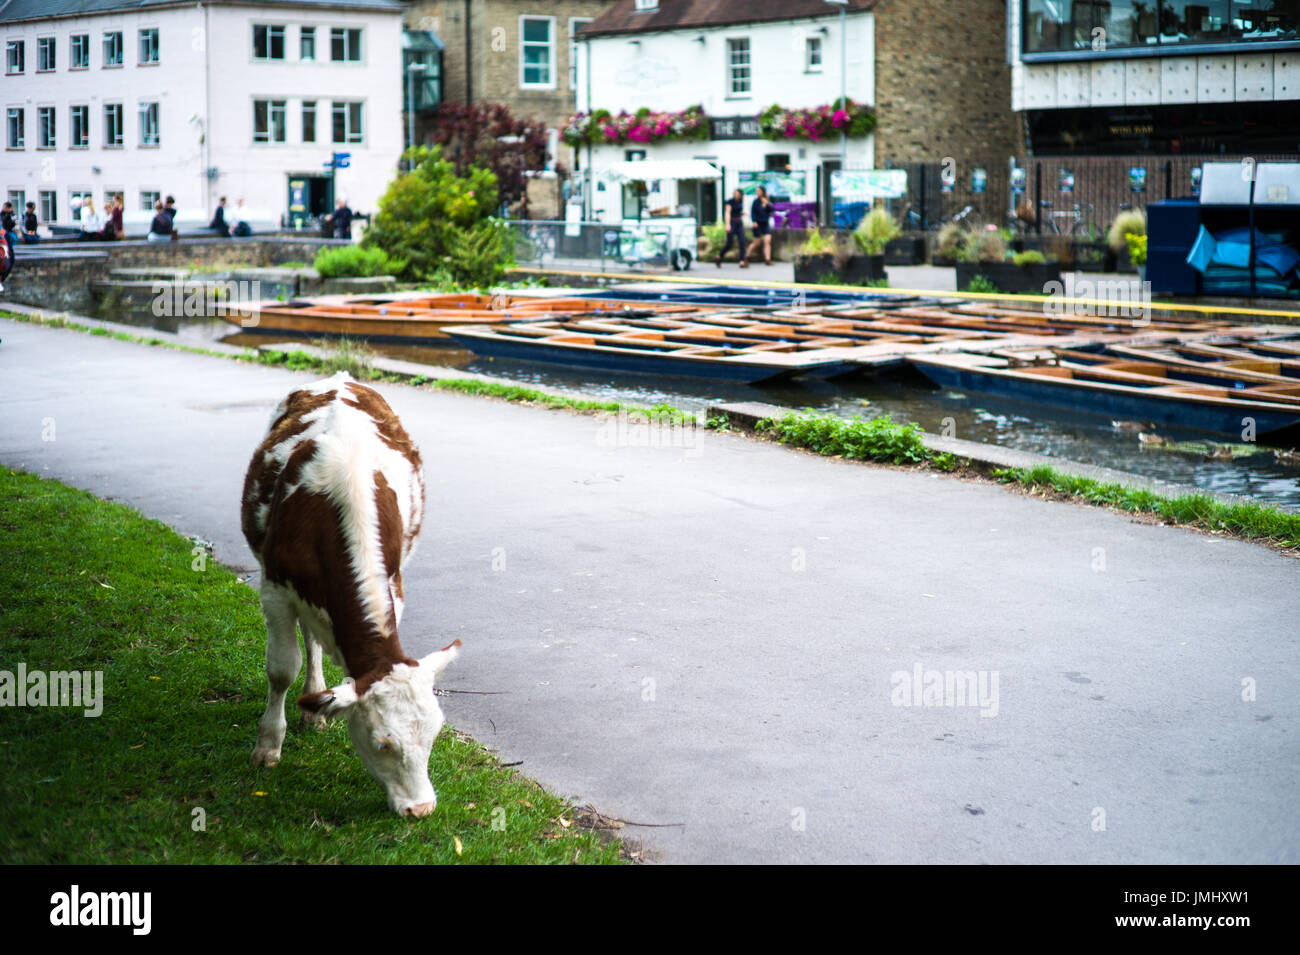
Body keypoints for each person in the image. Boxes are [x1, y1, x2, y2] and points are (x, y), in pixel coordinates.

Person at [716, 188, 748, 268]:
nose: (736, 195)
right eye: (735, 193)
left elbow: (737, 211)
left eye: (738, 194)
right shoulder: (730, 201)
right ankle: (719, 256)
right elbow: (727, 212)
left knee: (742, 241)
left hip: (739, 223)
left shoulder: (740, 201)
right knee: (730, 243)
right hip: (732, 222)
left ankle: (742, 261)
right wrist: (727, 224)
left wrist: (743, 213)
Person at [746, 186, 774, 266]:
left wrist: (766, 203)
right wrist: (754, 221)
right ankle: (746, 256)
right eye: (757, 191)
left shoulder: (766, 200)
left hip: (765, 223)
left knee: (767, 240)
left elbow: (771, 211)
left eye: (759, 191)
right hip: (757, 223)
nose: (757, 192)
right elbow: (753, 212)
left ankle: (768, 259)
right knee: (756, 243)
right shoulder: (755, 202)